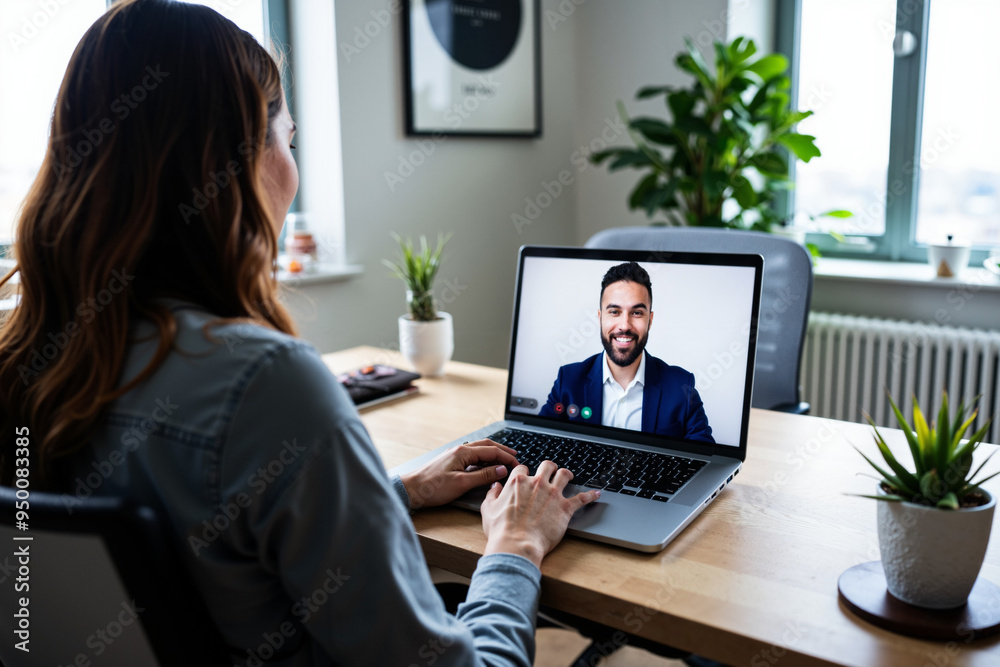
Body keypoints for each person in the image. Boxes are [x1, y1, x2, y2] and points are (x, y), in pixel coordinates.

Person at [0, 1, 598, 665]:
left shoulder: (32, 361)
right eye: (289, 140)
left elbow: (212, 541)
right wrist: (516, 544)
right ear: (232, 168)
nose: (293, 166)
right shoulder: (264, 386)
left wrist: (395, 491)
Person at [538, 261, 714, 443]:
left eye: (637, 313)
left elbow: (707, 458)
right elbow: (539, 443)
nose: (624, 326)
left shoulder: (681, 387)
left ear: (650, 320)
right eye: (614, 312)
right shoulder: (568, 381)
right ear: (600, 318)